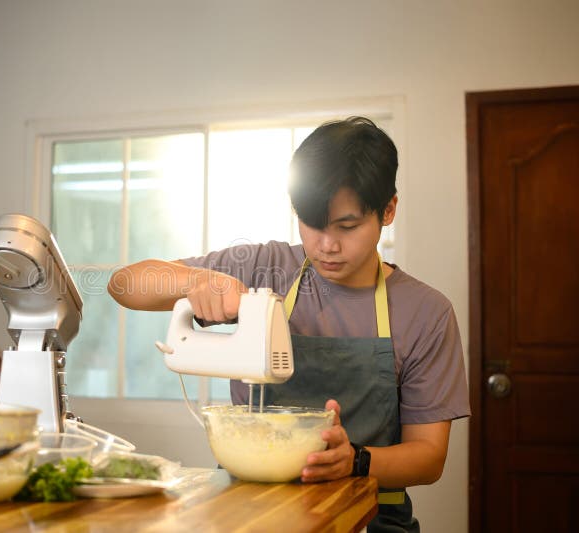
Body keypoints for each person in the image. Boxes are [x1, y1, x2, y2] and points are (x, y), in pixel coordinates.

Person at [107, 116, 470, 532]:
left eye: (347, 226)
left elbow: (428, 457)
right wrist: (198, 281)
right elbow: (123, 283)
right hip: (248, 512)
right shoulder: (266, 268)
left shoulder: (425, 312)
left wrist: (356, 459)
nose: (326, 245)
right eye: (311, 223)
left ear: (388, 210)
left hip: (370, 517)